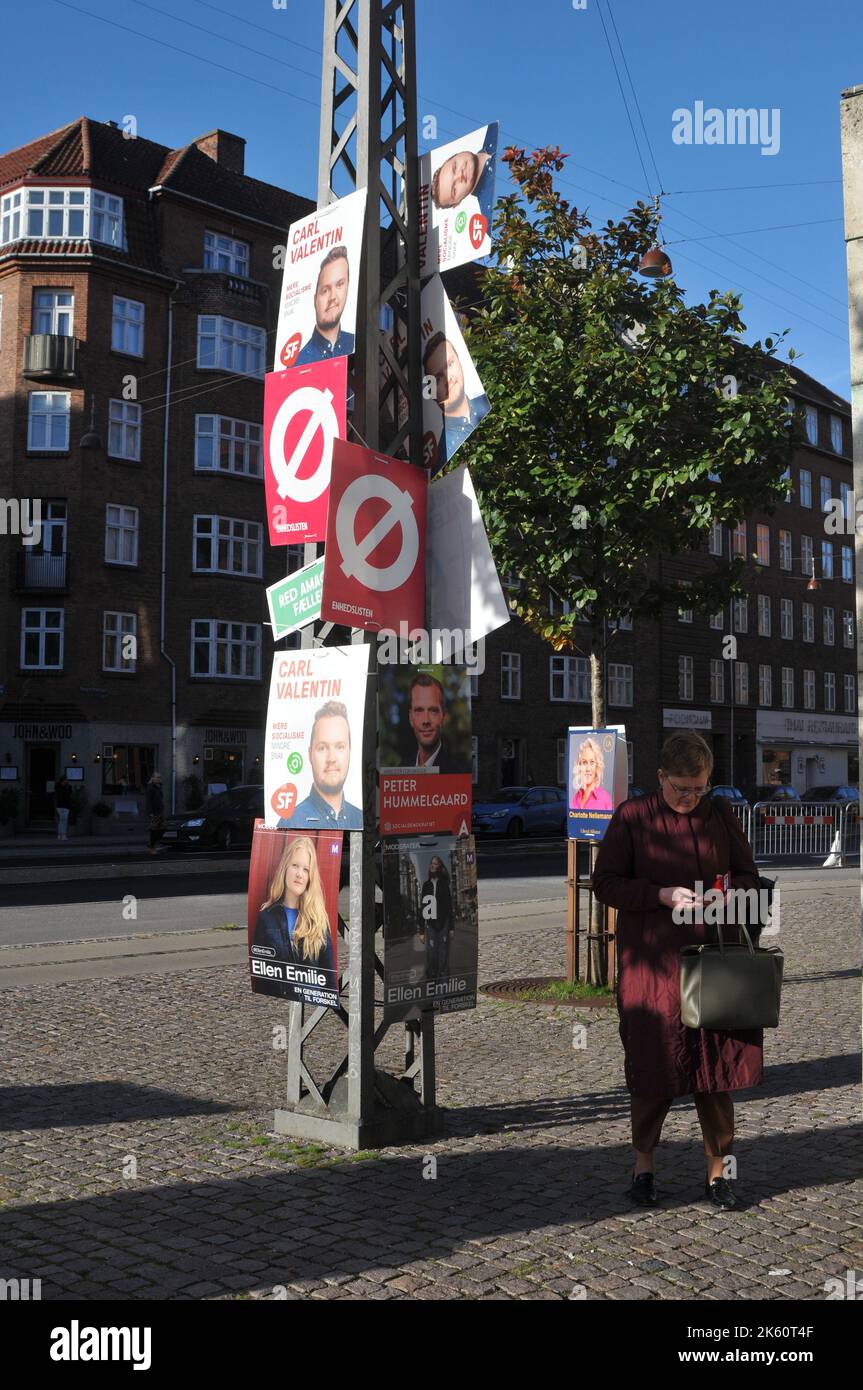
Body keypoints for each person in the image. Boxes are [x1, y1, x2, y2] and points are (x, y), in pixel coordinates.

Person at [592, 730, 763, 1212]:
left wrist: (728, 896)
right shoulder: (633, 817)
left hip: (715, 963)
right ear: (660, 778)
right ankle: (643, 1168)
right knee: (654, 1071)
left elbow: (750, 876)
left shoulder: (720, 814)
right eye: (680, 788)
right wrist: (661, 896)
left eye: (699, 788)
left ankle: (718, 1175)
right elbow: (605, 883)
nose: (690, 798)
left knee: (715, 1073)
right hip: (653, 966)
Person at [252, 835, 335, 999]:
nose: (299, 874)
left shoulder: (318, 921)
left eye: (306, 869)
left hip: (313, 1005)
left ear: (311, 876)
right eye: (295, 866)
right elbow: (260, 975)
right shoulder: (266, 917)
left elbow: (329, 982)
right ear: (285, 868)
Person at [278, 699, 363, 830]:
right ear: (310, 754)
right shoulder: (291, 822)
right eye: (322, 748)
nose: (332, 758)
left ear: (350, 752)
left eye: (340, 747)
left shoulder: (360, 819)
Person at [422, 332, 489, 470]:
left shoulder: (489, 401)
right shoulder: (442, 456)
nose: (449, 379)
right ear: (432, 394)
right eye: (439, 378)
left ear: (460, 361)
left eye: (450, 364)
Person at [295, 245, 354, 365]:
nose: (332, 297)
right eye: (325, 290)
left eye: (339, 284)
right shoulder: (298, 363)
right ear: (315, 299)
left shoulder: (357, 344)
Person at [430, 124, 497, 225]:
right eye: (454, 189)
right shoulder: (489, 216)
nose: (459, 176)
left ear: (457, 155)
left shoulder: (492, 132)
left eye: (455, 167)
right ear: (457, 203)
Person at [407, 673, 464, 774]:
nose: (426, 721)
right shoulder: (402, 768)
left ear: (443, 717)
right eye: (419, 710)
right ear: (411, 718)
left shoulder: (457, 773)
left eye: (433, 711)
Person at [420, 854, 453, 979]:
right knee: (431, 952)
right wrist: (421, 930)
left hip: (443, 922)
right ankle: (432, 975)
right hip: (430, 923)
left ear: (439, 867)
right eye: (431, 864)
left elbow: (449, 906)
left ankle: (443, 976)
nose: (432, 866)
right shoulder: (426, 885)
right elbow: (422, 906)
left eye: (435, 864)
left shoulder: (444, 884)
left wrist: (451, 928)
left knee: (443, 952)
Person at [570, 735, 614, 811]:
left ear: (597, 766)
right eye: (584, 762)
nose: (588, 768)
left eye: (592, 762)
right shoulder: (575, 798)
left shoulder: (605, 799)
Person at [145, 772, 164, 854]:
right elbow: (148, 801)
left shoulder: (158, 787)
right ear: (152, 778)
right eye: (157, 777)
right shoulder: (150, 788)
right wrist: (150, 812)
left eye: (159, 777)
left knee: (160, 829)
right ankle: (151, 847)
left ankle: (151, 845)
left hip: (160, 811)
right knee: (154, 830)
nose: (159, 779)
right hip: (154, 812)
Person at [54, 774, 73, 842]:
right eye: (65, 780)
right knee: (63, 820)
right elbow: (58, 795)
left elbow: (70, 794)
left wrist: (67, 788)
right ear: (62, 780)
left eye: (66, 780)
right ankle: (62, 834)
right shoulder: (58, 787)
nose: (66, 781)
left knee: (63, 820)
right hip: (60, 805)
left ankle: (61, 834)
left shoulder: (68, 787)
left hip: (66, 805)